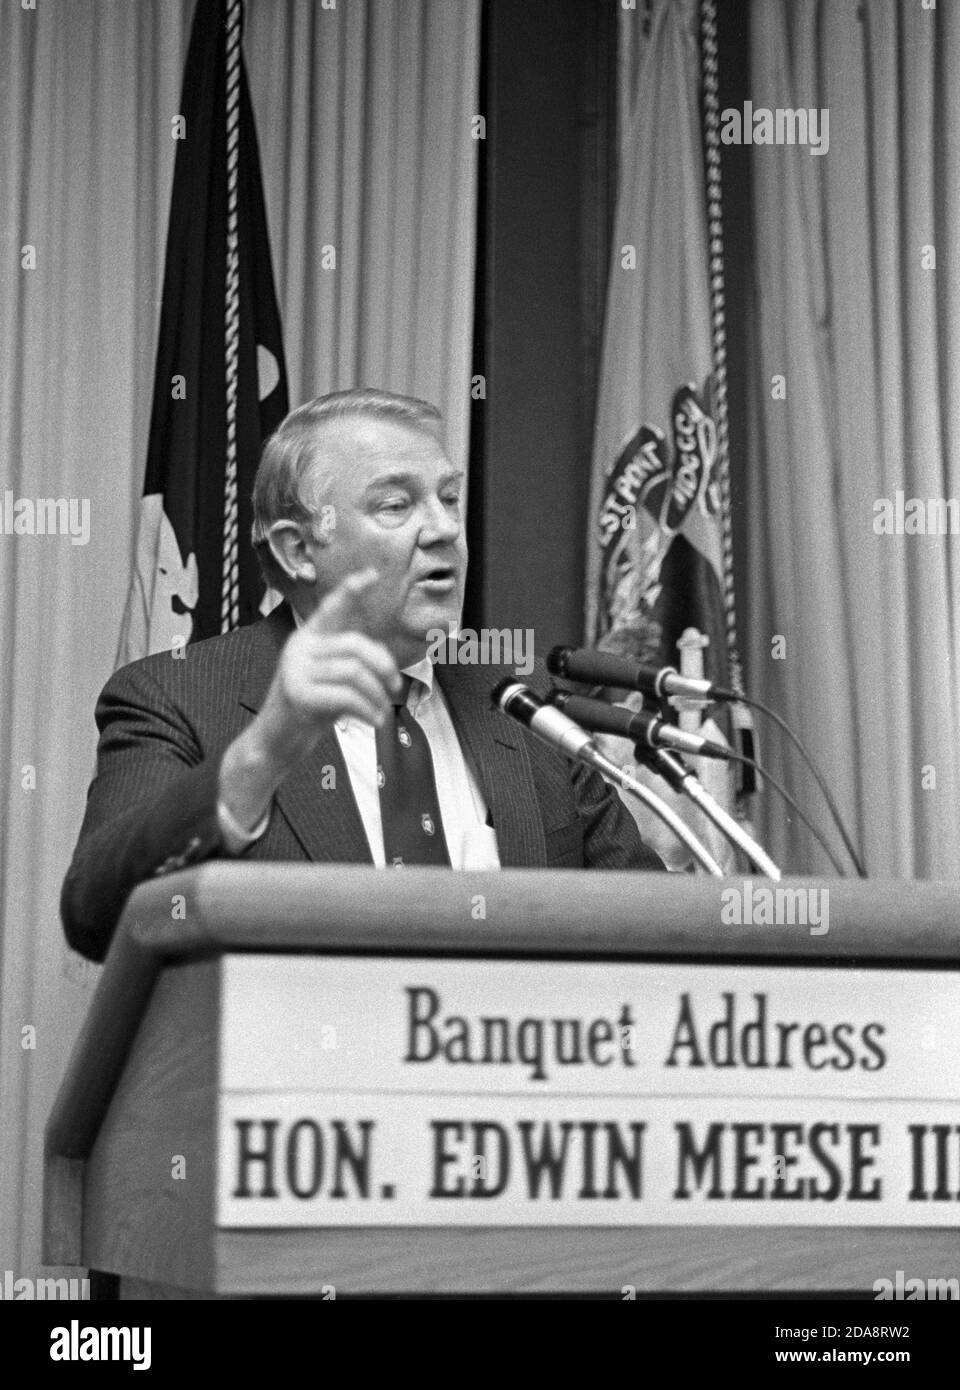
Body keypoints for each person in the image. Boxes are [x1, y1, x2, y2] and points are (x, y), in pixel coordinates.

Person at [61, 388, 663, 962]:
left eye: (449, 498)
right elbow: (97, 914)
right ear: (298, 551)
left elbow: (653, 926)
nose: (445, 528)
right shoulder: (175, 697)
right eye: (396, 505)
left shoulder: (519, 704)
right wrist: (264, 753)